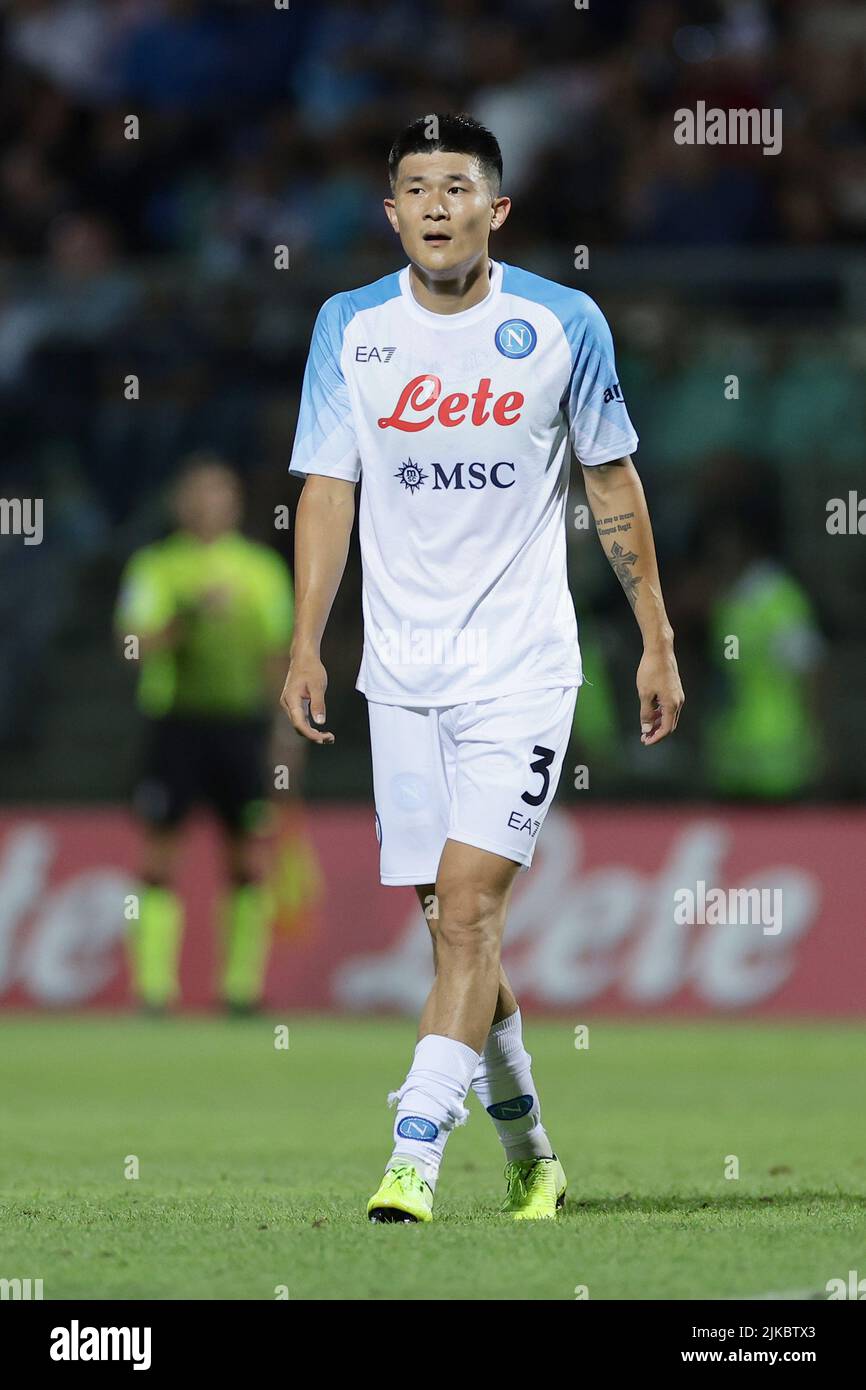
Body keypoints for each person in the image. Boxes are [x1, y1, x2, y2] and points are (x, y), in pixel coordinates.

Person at [281, 114, 683, 1221]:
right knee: (455, 928)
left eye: (456, 185)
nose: (435, 205)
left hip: (521, 668)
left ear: (494, 209)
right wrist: (306, 640)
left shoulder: (561, 322)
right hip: (398, 678)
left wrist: (653, 636)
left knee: (465, 912)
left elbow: (610, 481)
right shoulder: (349, 326)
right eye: (414, 187)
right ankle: (534, 1154)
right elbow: (327, 487)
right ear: (391, 212)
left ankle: (411, 1152)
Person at [115, 454, 295, 1014]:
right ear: (179, 504)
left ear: (234, 503)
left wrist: (285, 737)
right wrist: (187, 617)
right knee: (160, 857)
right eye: (197, 494)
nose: (207, 505)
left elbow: (277, 658)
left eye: (218, 494)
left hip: (241, 728)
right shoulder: (155, 567)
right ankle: (152, 991)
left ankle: (240, 991)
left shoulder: (262, 570)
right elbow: (131, 648)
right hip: (176, 725)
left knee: (248, 858)